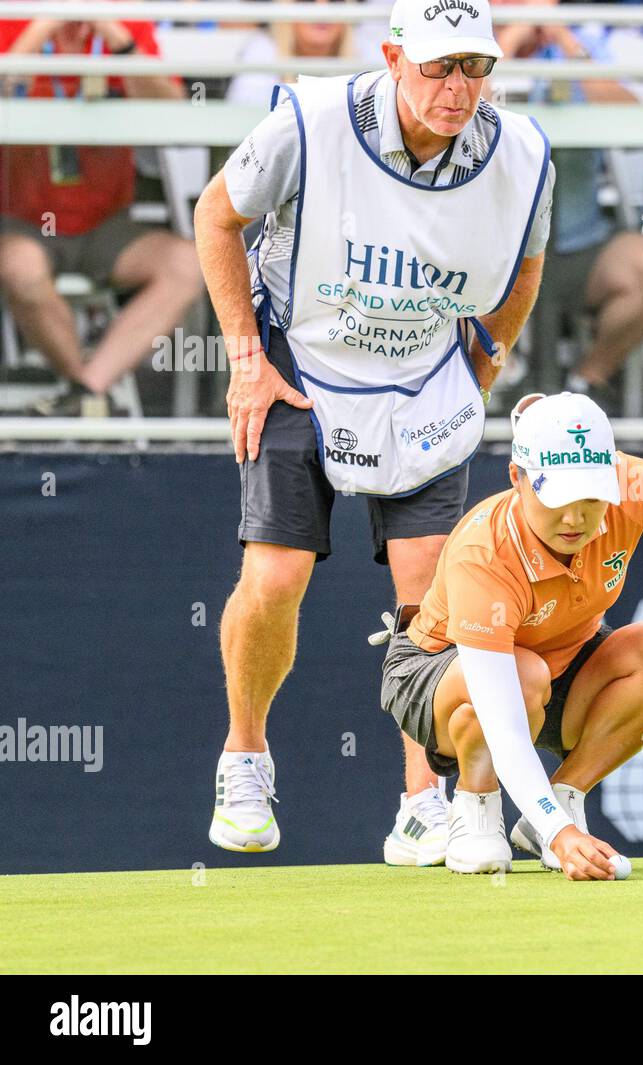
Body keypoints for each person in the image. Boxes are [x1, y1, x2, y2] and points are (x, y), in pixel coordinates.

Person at [194, 0, 555, 864]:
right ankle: (245, 753)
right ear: (394, 57)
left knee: (429, 597)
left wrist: (486, 359)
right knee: (274, 577)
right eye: (437, 66)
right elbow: (217, 216)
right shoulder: (310, 122)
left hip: (426, 376)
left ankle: (420, 800)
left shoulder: (521, 152)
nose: (457, 87)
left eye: (474, 67)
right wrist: (247, 360)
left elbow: (525, 263)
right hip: (300, 362)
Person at [376, 347, 643, 879]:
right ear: (517, 478)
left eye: (591, 498)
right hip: (440, 678)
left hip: (561, 669)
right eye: (557, 497)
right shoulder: (485, 550)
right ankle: (475, 807)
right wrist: (561, 839)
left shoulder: (633, 484)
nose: (575, 518)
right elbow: (501, 711)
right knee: (523, 675)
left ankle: (563, 797)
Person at [0, 10, 202, 417]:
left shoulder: (129, 23)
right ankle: (87, 391)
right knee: (19, 267)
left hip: (106, 225)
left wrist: (117, 38)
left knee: (190, 264)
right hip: (24, 224)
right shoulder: (12, 18)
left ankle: (86, 390)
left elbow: (174, 108)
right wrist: (43, 29)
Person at [498, 0, 643, 413]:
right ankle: (501, 372)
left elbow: (635, 120)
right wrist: (509, 41)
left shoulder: (579, 42)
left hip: (576, 246)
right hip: (489, 258)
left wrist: (564, 40)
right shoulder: (461, 42)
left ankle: (584, 385)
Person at [225, 0, 360, 109]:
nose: (322, 10)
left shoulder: (366, 54)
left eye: (335, 1)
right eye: (307, 1)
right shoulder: (262, 51)